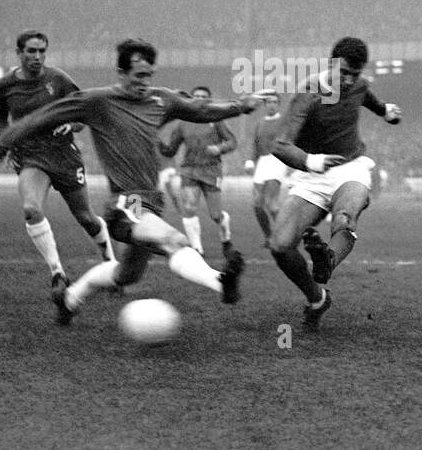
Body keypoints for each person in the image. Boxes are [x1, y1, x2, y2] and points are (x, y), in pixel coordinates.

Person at [0, 38, 271, 325]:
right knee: (176, 240)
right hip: (126, 202)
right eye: (138, 76)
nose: (144, 82)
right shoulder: (97, 102)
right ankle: (222, 283)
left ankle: (69, 300)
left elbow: (202, 110)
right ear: (121, 73)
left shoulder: (161, 100)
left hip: (151, 204)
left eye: (148, 75)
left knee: (126, 275)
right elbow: (39, 119)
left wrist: (240, 106)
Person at [269, 37, 401, 330]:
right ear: (330, 64)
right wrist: (311, 161)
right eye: (343, 72)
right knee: (280, 246)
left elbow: (371, 101)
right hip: (312, 172)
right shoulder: (309, 92)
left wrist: (387, 113)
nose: (349, 79)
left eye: (355, 73)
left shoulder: (359, 85)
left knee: (345, 216)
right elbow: (280, 145)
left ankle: (327, 259)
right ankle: (317, 298)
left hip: (351, 168)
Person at [0, 31, 115, 309]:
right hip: (32, 158)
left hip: (64, 156)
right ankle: (57, 273)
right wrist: (5, 141)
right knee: (31, 209)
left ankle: (111, 262)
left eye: (42, 52)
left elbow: (85, 113)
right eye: (31, 51)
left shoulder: (58, 79)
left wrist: (71, 124)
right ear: (18, 53)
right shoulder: (5, 86)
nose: (37, 57)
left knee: (86, 217)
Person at [158, 85, 237, 256]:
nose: (199, 99)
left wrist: (219, 148)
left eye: (203, 96)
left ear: (208, 101)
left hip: (211, 170)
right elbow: (170, 150)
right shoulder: (182, 123)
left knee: (216, 215)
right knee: (189, 207)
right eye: (196, 96)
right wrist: (156, 140)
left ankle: (226, 239)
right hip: (189, 169)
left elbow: (232, 142)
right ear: (190, 100)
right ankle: (196, 248)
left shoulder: (216, 120)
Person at [244, 92, 289, 247]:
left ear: (278, 104)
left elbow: (291, 141)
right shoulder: (260, 123)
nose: (271, 105)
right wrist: (251, 160)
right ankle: (269, 236)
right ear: (264, 105)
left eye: (275, 102)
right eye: (268, 102)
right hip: (263, 162)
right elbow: (255, 144)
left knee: (271, 203)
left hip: (277, 161)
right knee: (257, 204)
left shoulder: (284, 121)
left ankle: (283, 235)